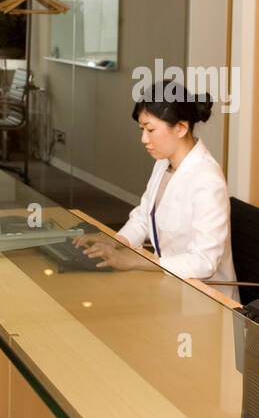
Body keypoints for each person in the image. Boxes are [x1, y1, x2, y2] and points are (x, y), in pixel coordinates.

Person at [75, 82, 236, 283]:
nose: (144, 138)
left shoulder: (207, 179)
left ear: (180, 128)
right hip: (167, 281)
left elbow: (204, 262)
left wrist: (135, 261)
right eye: (142, 129)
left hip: (204, 296)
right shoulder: (163, 163)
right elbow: (144, 218)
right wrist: (113, 243)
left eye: (150, 130)